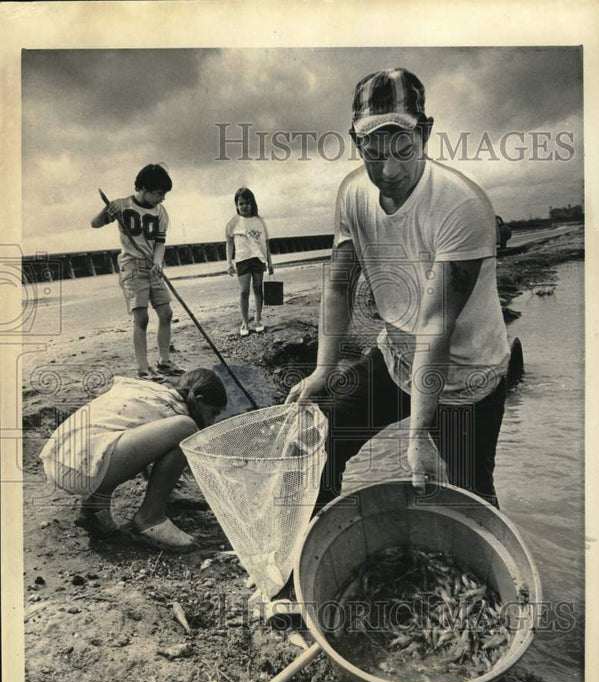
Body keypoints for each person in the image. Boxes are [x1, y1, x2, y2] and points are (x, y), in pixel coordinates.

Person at [286, 67, 510, 509]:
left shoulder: (460, 204)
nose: (388, 171)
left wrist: (420, 434)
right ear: (356, 142)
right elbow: (338, 285)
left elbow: (436, 324)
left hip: (468, 378)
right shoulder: (352, 195)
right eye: (372, 151)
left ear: (424, 133)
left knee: (469, 500)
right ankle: (313, 553)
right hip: (397, 358)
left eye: (402, 148)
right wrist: (323, 368)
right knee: (320, 445)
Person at [40, 368, 227, 551]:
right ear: (199, 401)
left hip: (58, 457)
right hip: (80, 469)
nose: (212, 422)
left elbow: (144, 442)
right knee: (186, 428)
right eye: (213, 413)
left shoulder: (152, 391)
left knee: (113, 434)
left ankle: (95, 508)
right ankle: (150, 518)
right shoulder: (177, 412)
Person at [91, 163, 183, 382]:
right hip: (131, 265)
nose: (163, 198)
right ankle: (143, 369)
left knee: (166, 313)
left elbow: (160, 243)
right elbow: (94, 224)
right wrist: (106, 211)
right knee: (141, 317)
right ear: (144, 188)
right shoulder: (121, 206)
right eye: (159, 193)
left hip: (153, 266)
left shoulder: (161, 212)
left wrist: (159, 263)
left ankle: (165, 362)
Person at [225, 187, 274, 337]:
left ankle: (258, 319)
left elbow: (265, 243)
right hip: (242, 260)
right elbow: (229, 243)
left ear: (252, 203)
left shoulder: (259, 221)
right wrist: (229, 263)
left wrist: (270, 262)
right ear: (236, 205)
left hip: (259, 259)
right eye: (241, 203)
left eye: (247, 203)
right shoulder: (233, 223)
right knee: (244, 291)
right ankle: (245, 322)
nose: (244, 206)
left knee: (258, 288)